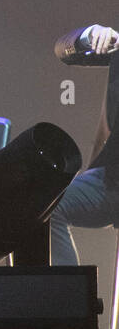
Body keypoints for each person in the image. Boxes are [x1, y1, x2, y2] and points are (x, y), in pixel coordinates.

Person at [50, 22, 119, 264]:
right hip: (113, 179)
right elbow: (63, 50)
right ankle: (67, 299)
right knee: (45, 204)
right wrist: (91, 35)